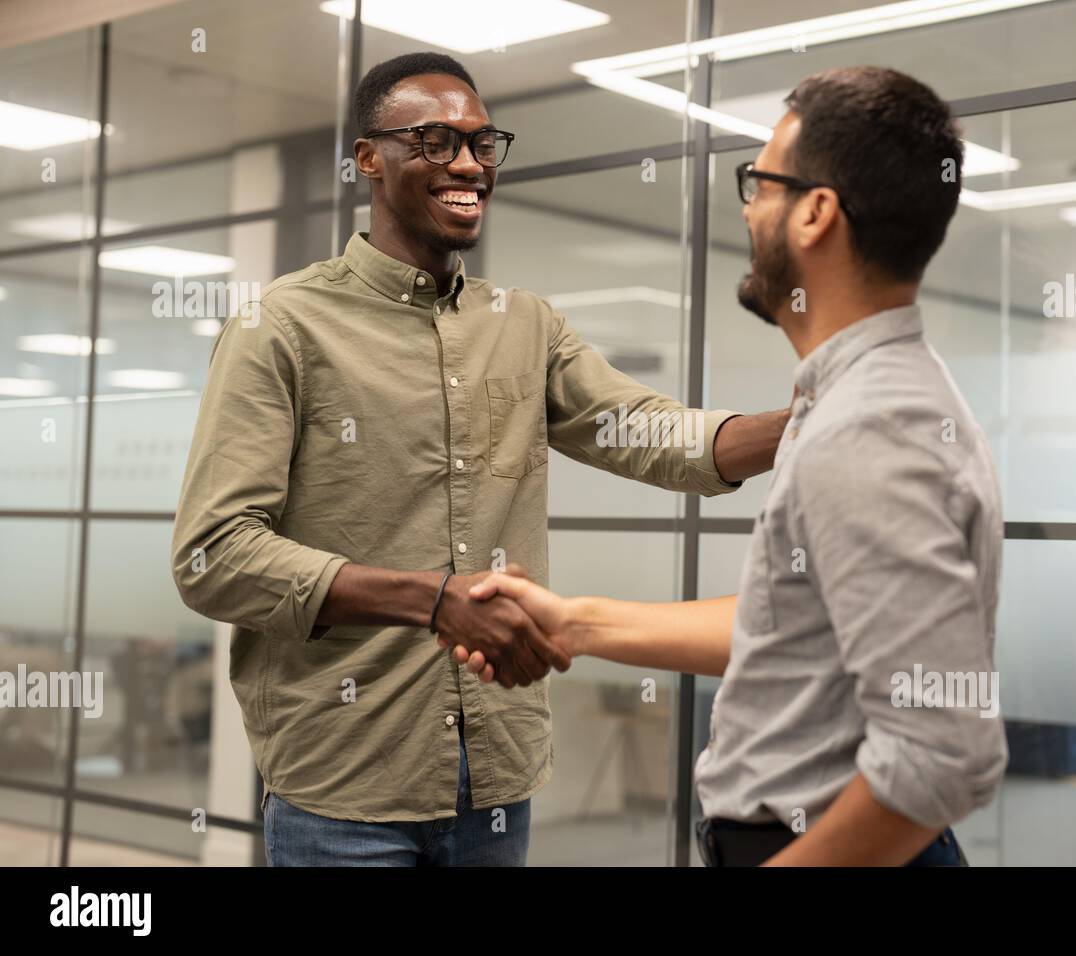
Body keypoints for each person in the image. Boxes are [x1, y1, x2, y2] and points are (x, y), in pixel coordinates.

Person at [170, 52, 790, 866]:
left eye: (481, 143)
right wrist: (433, 600)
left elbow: (650, 433)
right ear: (367, 159)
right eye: (433, 140)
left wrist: (820, 412)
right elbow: (214, 555)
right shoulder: (281, 326)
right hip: (347, 786)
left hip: (497, 771)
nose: (467, 163)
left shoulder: (525, 325)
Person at [454, 66, 1008, 866]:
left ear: (816, 213)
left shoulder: (869, 429)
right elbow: (791, 625)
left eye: (761, 182)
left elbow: (944, 757)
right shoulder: (857, 402)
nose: (748, 206)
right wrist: (577, 623)